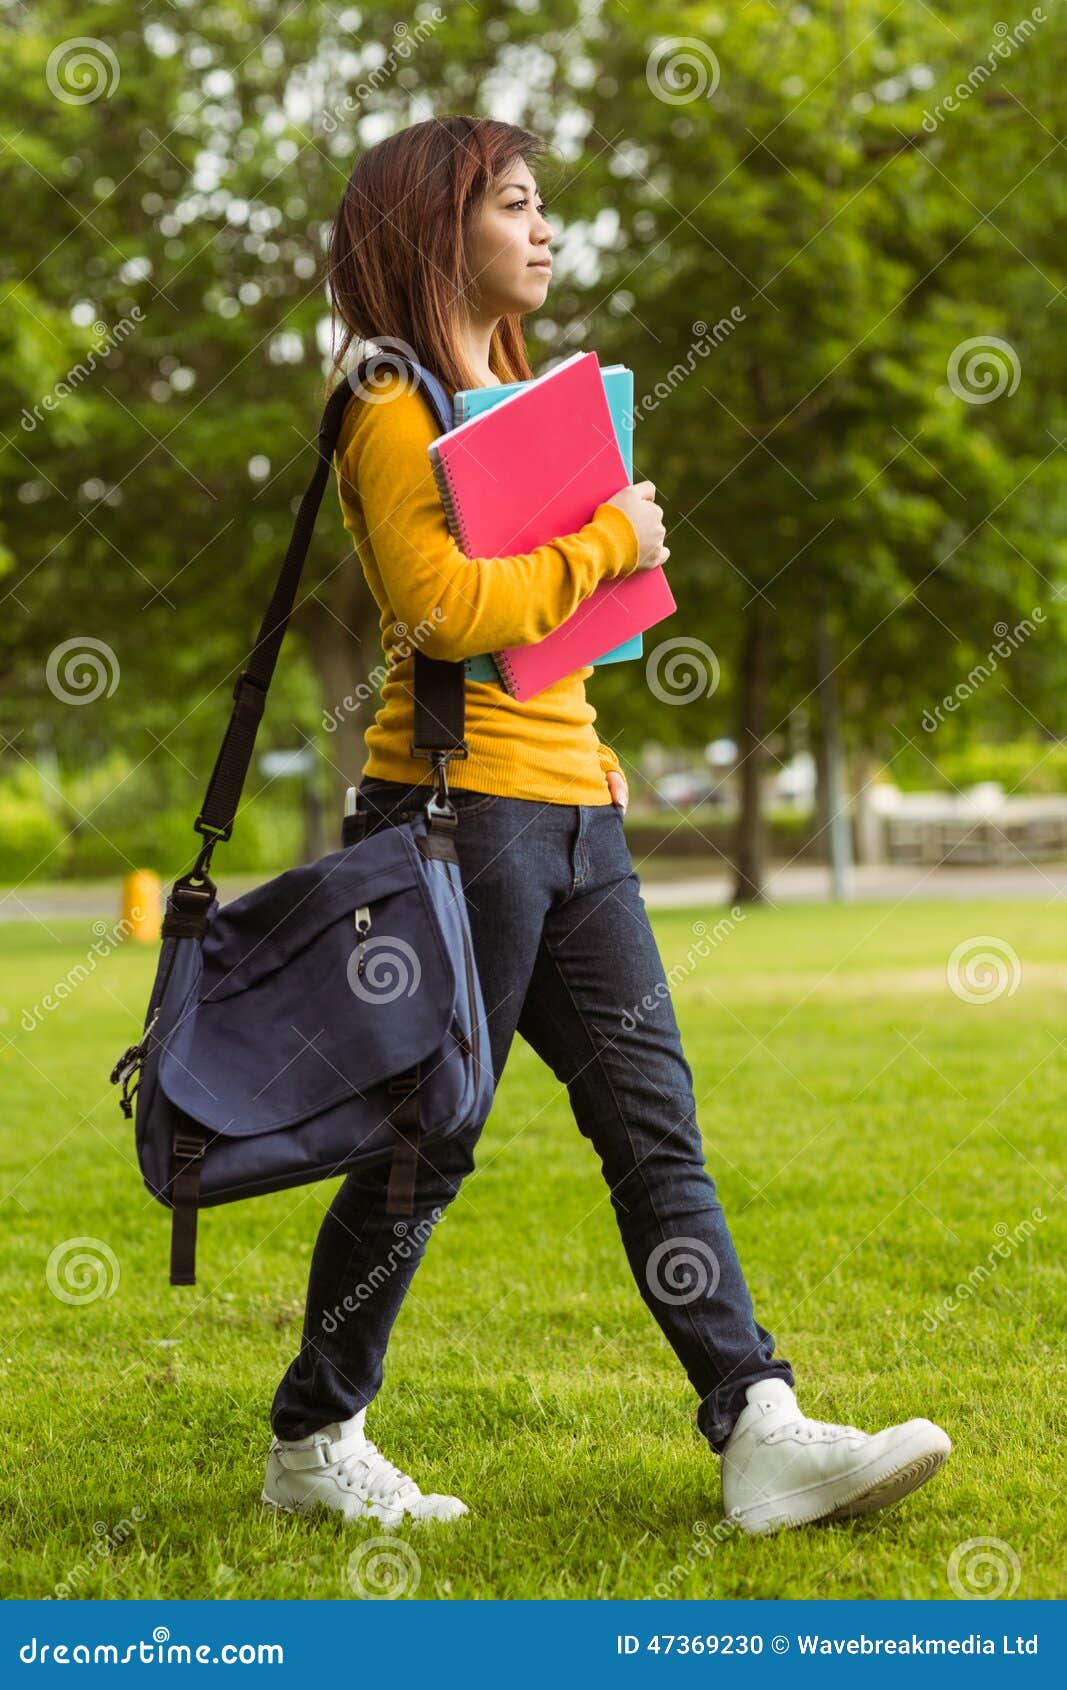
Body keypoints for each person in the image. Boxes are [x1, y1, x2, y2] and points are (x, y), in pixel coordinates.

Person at [263, 115, 950, 1537]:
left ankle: (759, 1424)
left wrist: (599, 740)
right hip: (454, 819)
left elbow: (547, 636)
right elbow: (443, 605)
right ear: (436, 229)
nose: (545, 229)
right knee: (428, 1137)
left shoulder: (522, 395)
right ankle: (315, 1435)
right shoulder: (388, 397)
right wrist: (610, 543)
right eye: (516, 205)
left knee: (654, 1125)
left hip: (573, 808)